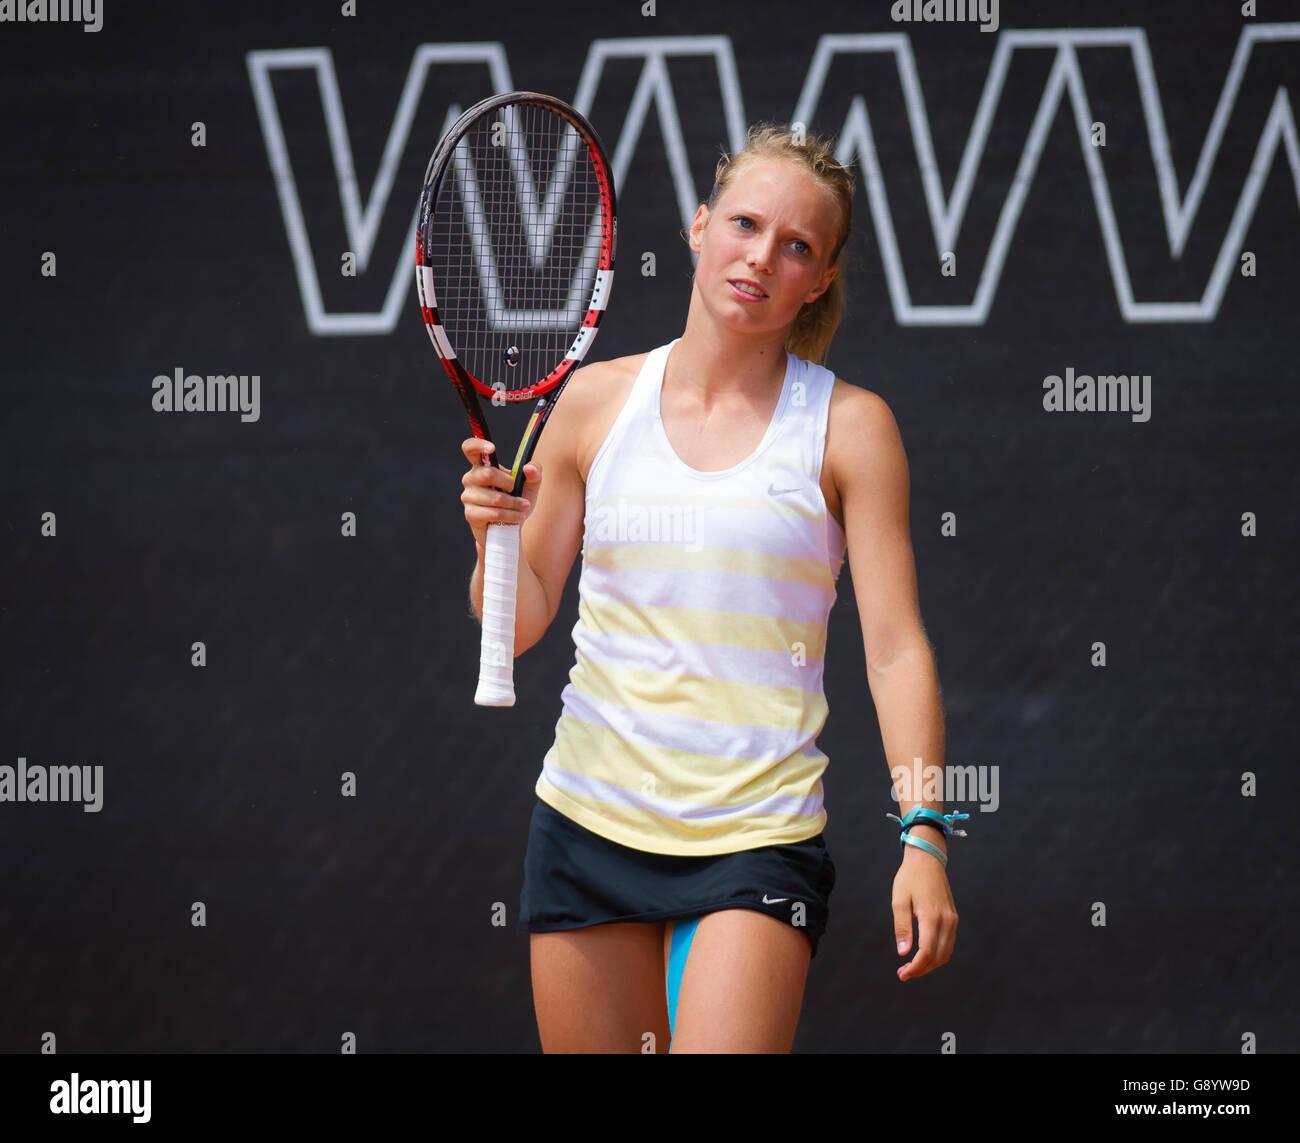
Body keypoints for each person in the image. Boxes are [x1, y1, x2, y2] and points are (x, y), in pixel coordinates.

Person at [459, 123, 958, 1053]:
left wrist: (924, 832)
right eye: (745, 223)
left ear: (821, 276)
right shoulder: (593, 403)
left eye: (798, 245)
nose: (761, 256)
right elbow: (520, 618)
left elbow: (895, 650)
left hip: (755, 838)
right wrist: (491, 535)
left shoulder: (852, 428)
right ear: (698, 227)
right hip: (584, 823)